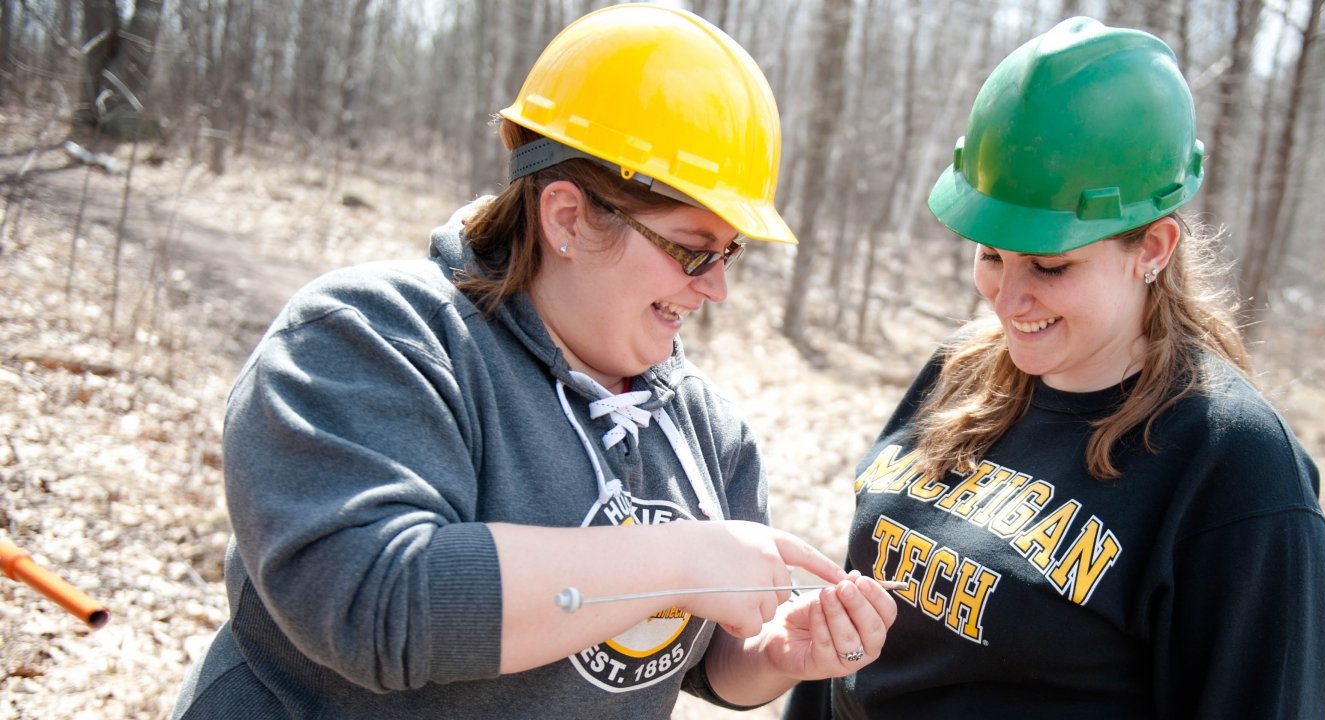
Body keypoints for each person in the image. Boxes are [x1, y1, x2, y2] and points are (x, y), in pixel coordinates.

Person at [170, 6, 896, 719]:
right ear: (567, 219)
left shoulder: (706, 429)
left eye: (729, 252)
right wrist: (680, 559)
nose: (718, 285)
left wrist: (775, 654)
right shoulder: (374, 338)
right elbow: (375, 606)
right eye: (692, 248)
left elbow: (700, 663)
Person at [784, 16, 1325, 720]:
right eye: (991, 254)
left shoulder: (1233, 466)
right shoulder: (960, 373)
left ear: (1154, 247)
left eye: (1049, 264)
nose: (1007, 298)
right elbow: (849, 657)